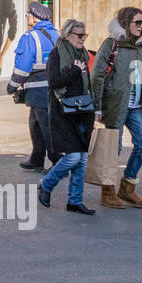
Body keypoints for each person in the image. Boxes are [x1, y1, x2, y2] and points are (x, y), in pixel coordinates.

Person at [90, 6, 142, 210]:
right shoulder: (112, 44)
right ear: (126, 23)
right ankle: (107, 192)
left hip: (136, 106)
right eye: (137, 22)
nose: (141, 26)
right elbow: (97, 75)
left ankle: (127, 187)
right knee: (113, 149)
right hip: (115, 104)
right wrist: (97, 106)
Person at [37, 19, 96, 215]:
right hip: (63, 112)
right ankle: (46, 185)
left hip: (82, 112)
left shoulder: (82, 54)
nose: (82, 39)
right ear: (67, 35)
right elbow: (54, 82)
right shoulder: (56, 54)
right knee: (72, 157)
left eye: (84, 35)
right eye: (79, 35)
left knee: (82, 159)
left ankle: (75, 201)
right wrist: (75, 71)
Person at [11, 2, 60, 173]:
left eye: (28, 16)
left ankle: (57, 163)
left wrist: (13, 86)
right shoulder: (57, 35)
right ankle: (36, 159)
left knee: (46, 127)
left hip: (38, 90)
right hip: (55, 89)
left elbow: (23, 66)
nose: (27, 19)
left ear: (33, 17)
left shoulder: (30, 37)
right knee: (36, 125)